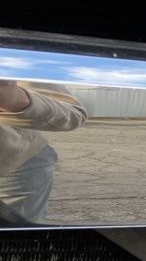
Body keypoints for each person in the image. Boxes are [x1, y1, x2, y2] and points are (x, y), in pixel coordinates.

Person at [0, 80, 87, 223]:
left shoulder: (19, 59)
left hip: (13, 166)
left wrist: (17, 99)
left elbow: (71, 113)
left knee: (18, 240)